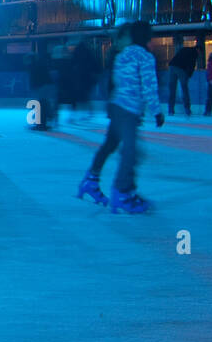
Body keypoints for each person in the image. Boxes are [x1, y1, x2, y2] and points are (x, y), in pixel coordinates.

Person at [77, 21, 163, 214]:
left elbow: (117, 82)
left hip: (117, 105)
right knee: (131, 151)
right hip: (128, 109)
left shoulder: (122, 55)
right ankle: (122, 192)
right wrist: (156, 111)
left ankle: (104, 185)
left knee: (114, 146)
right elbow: (149, 86)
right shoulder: (145, 57)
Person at [166, 43, 199, 116]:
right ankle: (187, 108)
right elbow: (192, 65)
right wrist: (188, 76)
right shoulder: (194, 53)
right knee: (184, 89)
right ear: (198, 50)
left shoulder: (184, 49)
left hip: (172, 67)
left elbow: (177, 56)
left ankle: (170, 109)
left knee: (172, 89)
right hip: (181, 69)